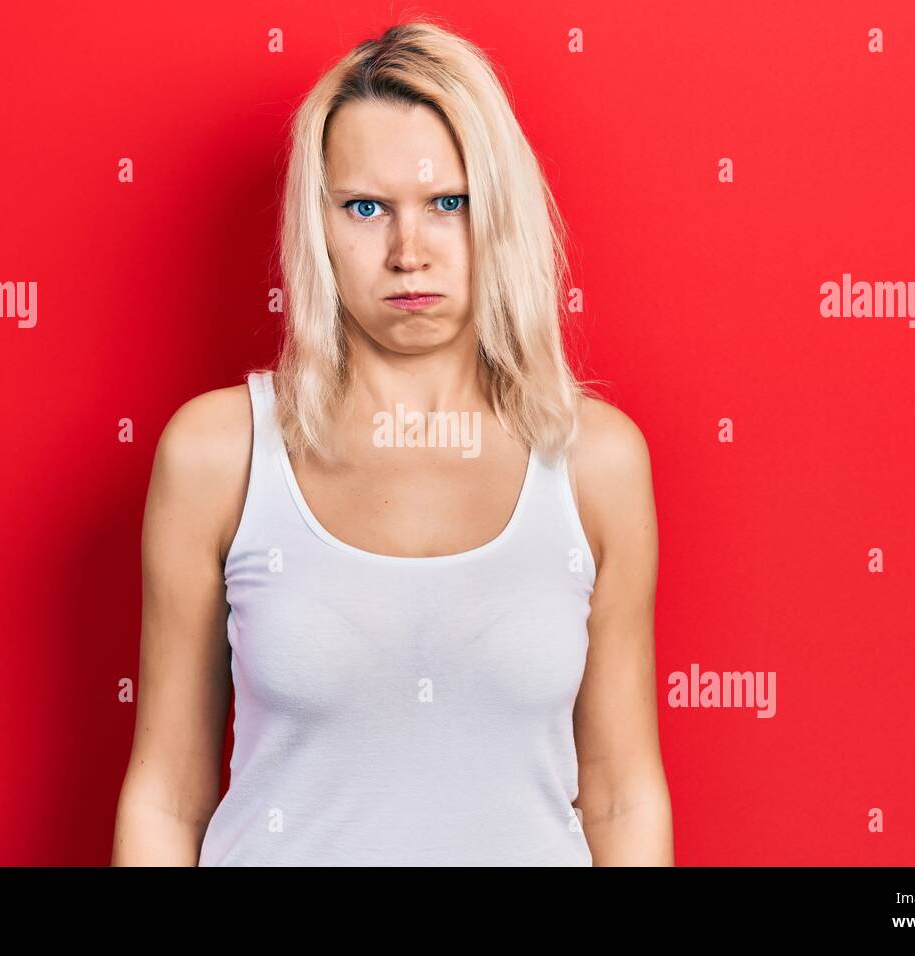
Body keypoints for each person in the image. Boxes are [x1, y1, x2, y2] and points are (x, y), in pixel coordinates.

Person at [111, 19, 670, 866]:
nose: (410, 252)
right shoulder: (217, 456)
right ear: (319, 225)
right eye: (367, 208)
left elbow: (624, 796)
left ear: (501, 214)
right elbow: (167, 794)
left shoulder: (596, 464)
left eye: (450, 203)